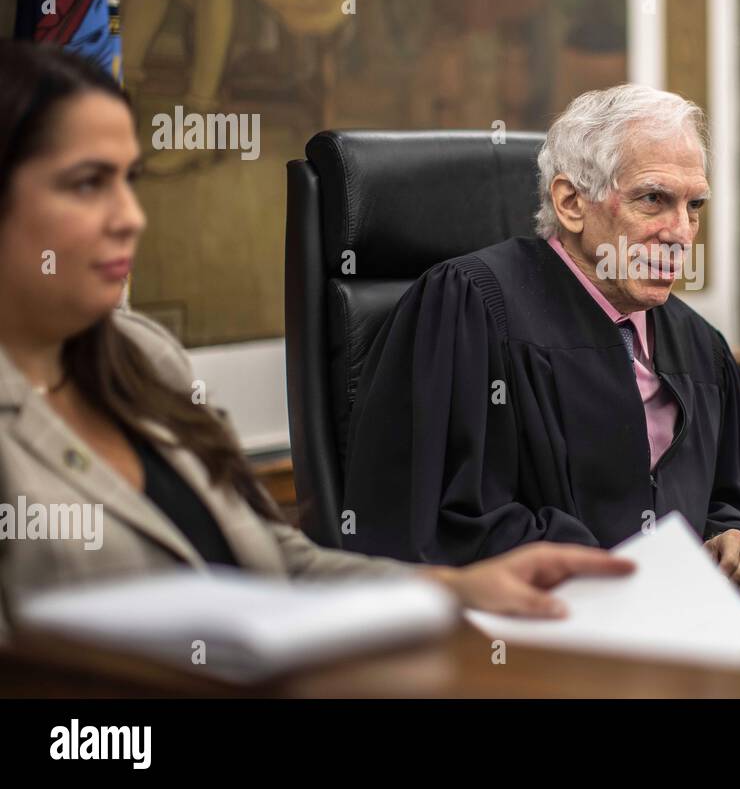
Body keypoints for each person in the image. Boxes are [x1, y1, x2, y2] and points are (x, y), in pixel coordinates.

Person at [0, 41, 631, 622]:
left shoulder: (143, 356)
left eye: (129, 182)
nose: (131, 218)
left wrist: (455, 590)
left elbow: (276, 561)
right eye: (87, 184)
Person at [344, 85, 740, 594]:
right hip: (539, 636)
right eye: (653, 199)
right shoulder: (469, 309)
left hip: (686, 629)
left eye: (693, 206)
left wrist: (731, 540)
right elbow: (445, 522)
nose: (680, 232)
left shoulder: (699, 345)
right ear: (570, 203)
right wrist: (627, 574)